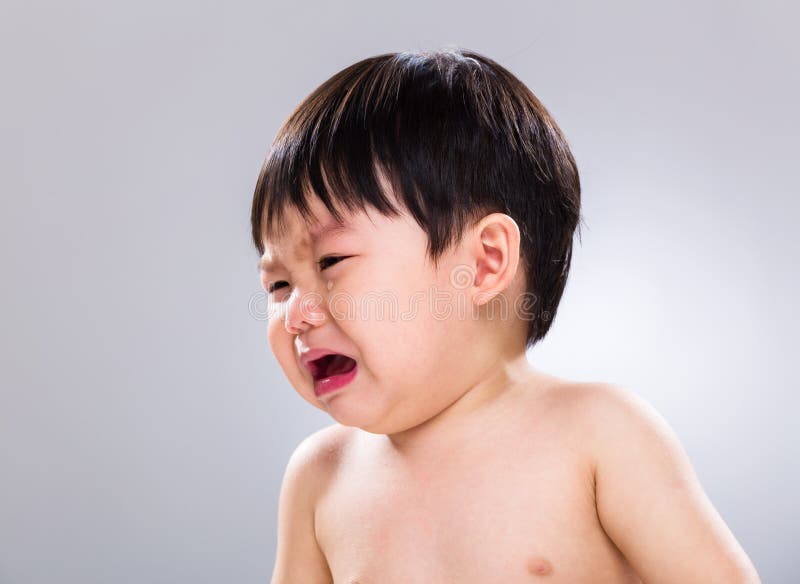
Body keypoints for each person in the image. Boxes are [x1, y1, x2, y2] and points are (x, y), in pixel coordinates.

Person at [252, 47, 760, 583]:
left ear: (484, 262)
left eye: (331, 261)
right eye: (278, 284)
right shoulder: (320, 479)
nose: (295, 315)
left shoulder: (597, 437)